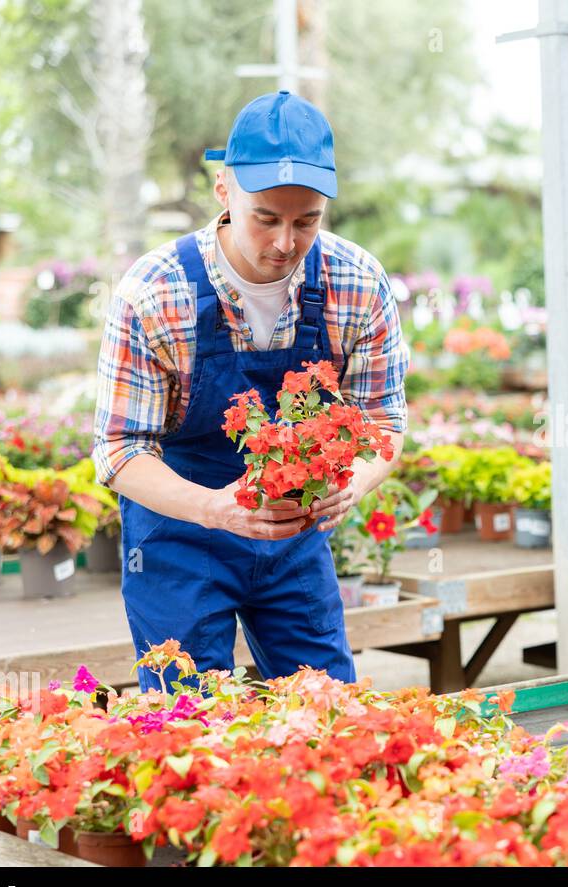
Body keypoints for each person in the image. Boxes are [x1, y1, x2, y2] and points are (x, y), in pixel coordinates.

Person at [92, 91, 409, 690]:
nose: (286, 243)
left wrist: (352, 483)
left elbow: (383, 420)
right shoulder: (155, 292)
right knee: (188, 725)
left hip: (295, 531)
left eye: (306, 220)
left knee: (327, 711)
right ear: (223, 192)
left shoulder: (358, 282)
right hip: (180, 532)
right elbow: (118, 450)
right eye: (266, 217)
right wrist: (217, 508)